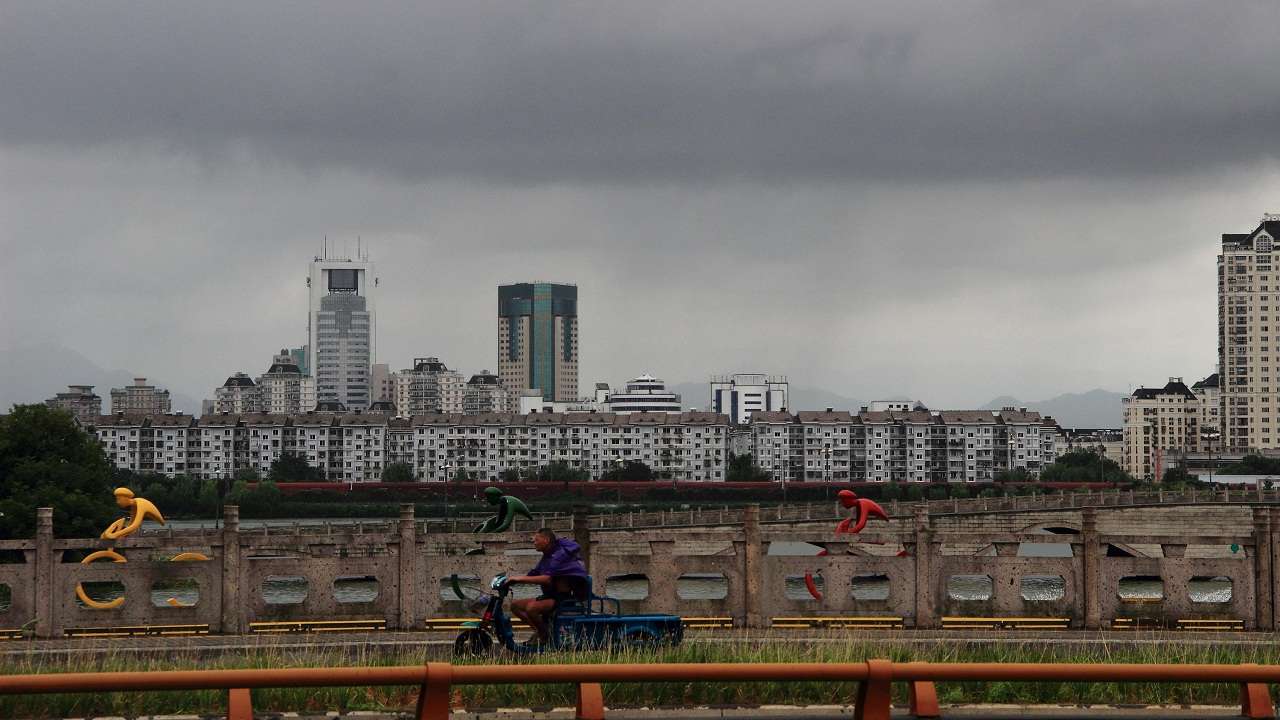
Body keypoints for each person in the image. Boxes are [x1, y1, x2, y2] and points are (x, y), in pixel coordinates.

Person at [506, 528, 588, 645]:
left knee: (531, 608)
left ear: (546, 540)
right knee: (515, 606)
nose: (534, 543)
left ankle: (544, 636)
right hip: (549, 596)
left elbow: (546, 578)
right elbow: (535, 573)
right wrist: (511, 580)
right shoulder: (547, 556)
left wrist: (519, 578)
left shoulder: (559, 555)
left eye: (536, 540)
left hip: (562, 598)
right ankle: (540, 631)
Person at [101, 487, 165, 540]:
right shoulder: (134, 505)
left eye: (119, 499)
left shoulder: (141, 504)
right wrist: (118, 535)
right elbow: (131, 524)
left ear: (126, 498)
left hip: (155, 515)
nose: (117, 502)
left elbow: (135, 525)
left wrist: (115, 534)